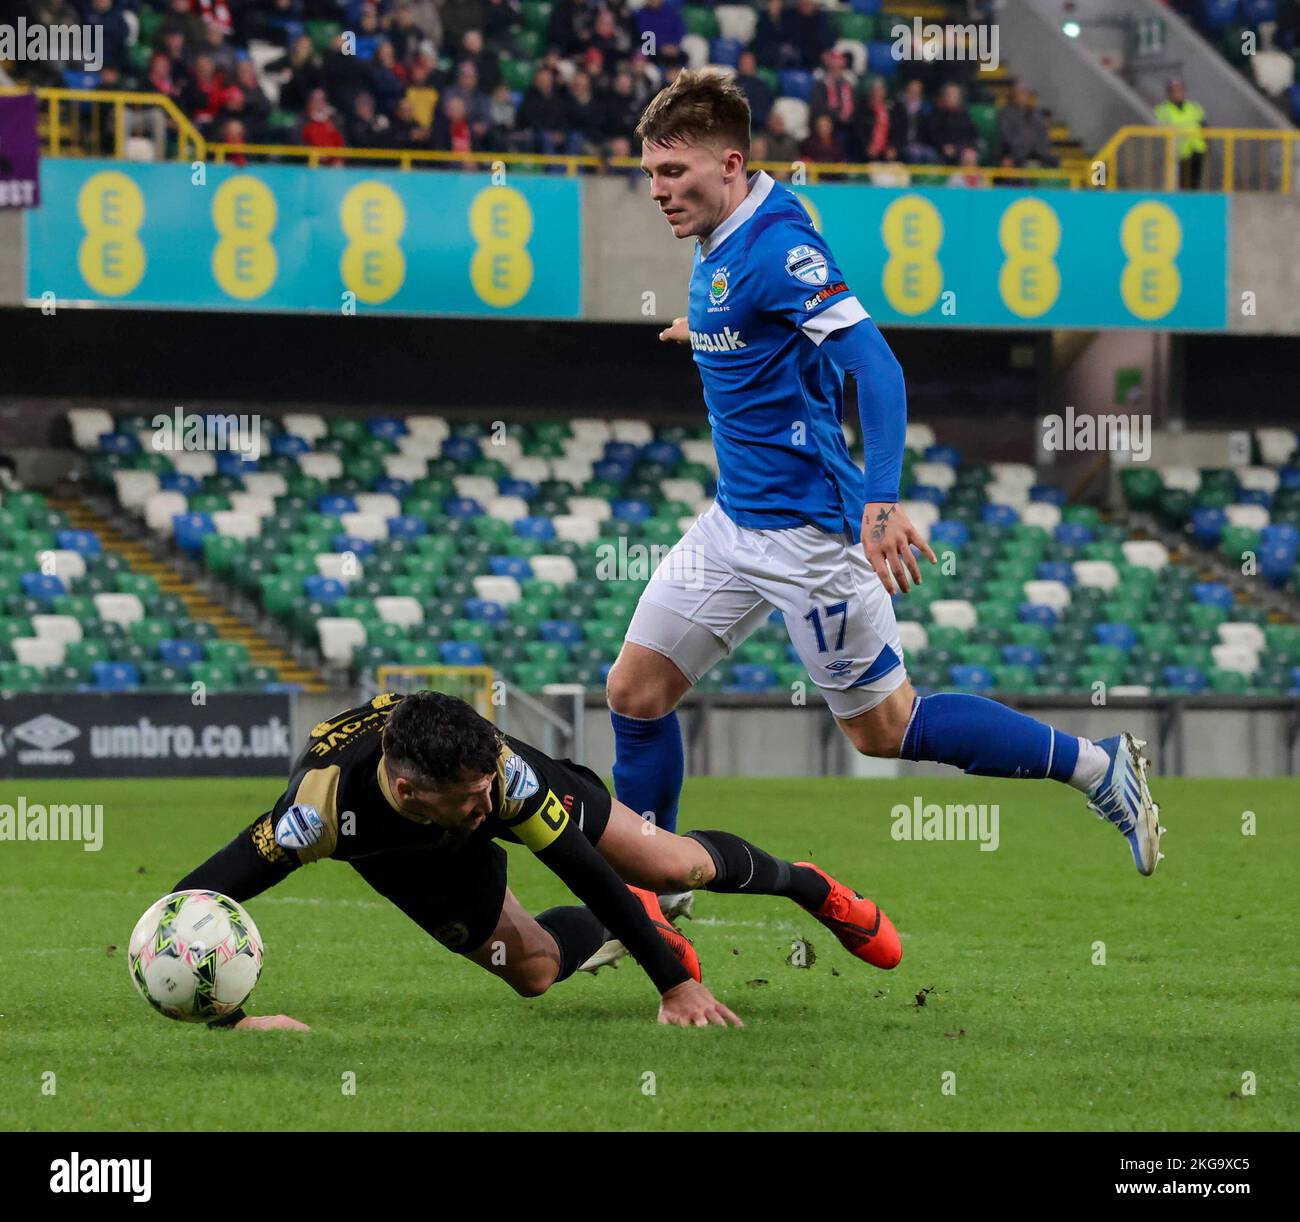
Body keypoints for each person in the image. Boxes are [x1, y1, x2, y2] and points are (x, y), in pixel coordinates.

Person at [618, 70, 1165, 900]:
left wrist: (880, 501)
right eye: (650, 173)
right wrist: (714, 327)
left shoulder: (776, 247)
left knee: (886, 729)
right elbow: (769, 327)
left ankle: (1099, 768)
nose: (658, 191)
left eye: (673, 173)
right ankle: (654, 889)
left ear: (729, 164)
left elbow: (875, 365)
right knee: (635, 690)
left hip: (809, 536)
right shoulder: (728, 230)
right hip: (733, 528)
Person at [176, 691, 899, 1031]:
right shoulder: (317, 815)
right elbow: (191, 906)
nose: (488, 805)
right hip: (404, 853)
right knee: (534, 974)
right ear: (408, 791)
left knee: (673, 868)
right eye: (472, 799)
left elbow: (580, 864)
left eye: (488, 787)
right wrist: (233, 1022)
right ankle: (627, 926)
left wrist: (673, 987)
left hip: (488, 787)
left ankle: (809, 886)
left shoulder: (502, 778)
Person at [1154, 78, 1207, 190]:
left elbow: (1203, 124)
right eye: (1174, 91)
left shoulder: (1194, 107)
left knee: (1195, 181)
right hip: (1177, 151)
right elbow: (1160, 128)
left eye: (1180, 90)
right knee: (1179, 183)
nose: (1178, 93)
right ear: (1168, 93)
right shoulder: (1162, 110)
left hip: (1196, 148)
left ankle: (1193, 203)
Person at [997, 80, 1058, 170]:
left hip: (1036, 152)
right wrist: (1022, 148)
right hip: (1015, 152)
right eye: (1020, 93)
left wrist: (1039, 149)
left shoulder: (1034, 113)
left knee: (1053, 162)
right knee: (1018, 163)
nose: (1023, 96)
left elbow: (1042, 134)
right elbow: (1006, 136)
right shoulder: (1006, 113)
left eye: (1025, 93)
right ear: (1013, 95)